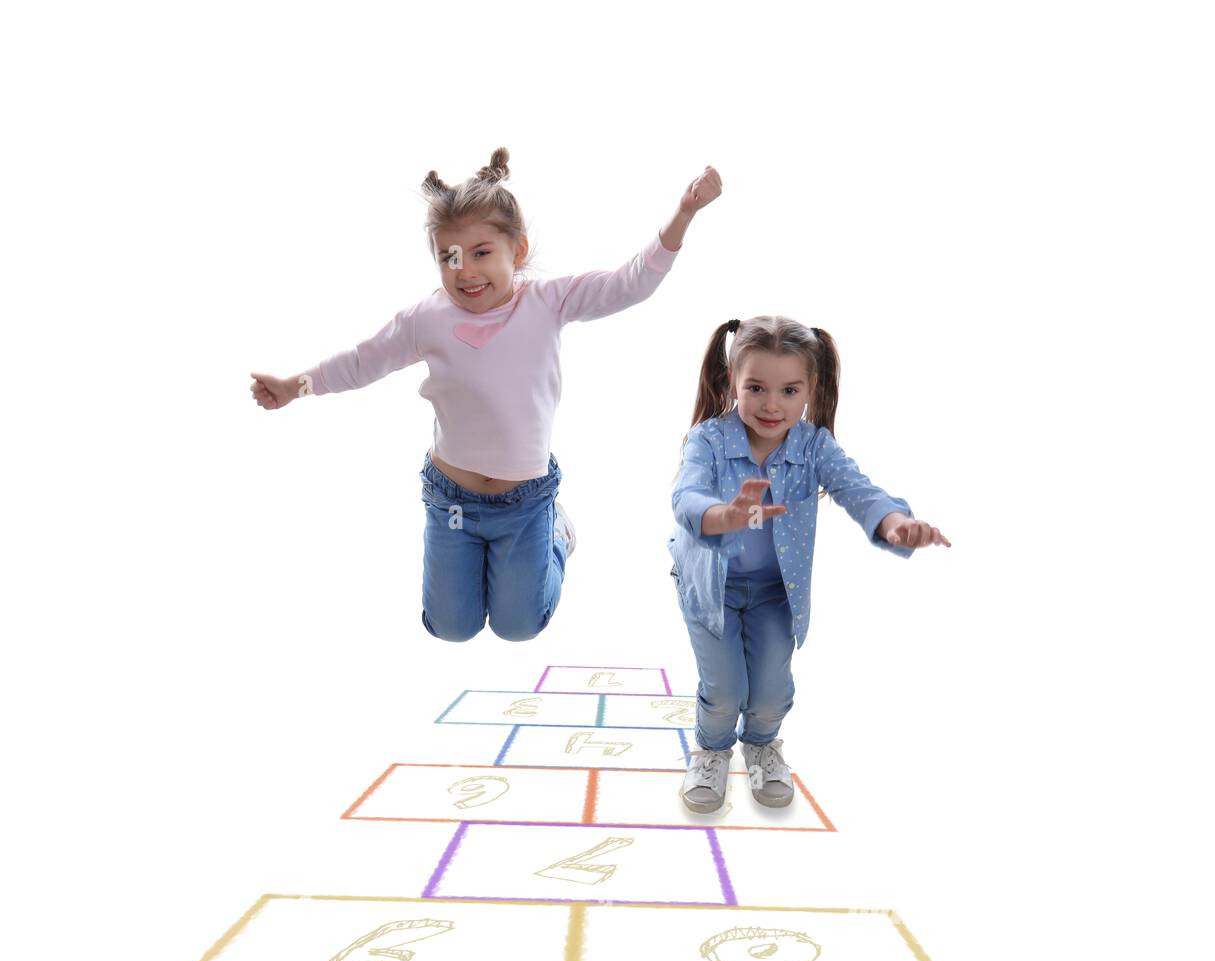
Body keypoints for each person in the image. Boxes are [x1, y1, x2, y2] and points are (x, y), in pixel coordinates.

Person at [251, 148, 721, 642]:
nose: (466, 272)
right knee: (450, 628)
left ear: (516, 251)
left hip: (524, 499)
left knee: (519, 626)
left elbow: (631, 283)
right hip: (451, 496)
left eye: (481, 253)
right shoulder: (426, 320)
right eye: (448, 257)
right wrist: (295, 386)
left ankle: (556, 536)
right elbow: (360, 362)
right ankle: (484, 570)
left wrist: (684, 213)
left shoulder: (547, 302)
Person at [669, 316, 950, 812]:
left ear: (810, 389)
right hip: (710, 587)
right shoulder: (709, 440)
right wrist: (723, 515)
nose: (771, 404)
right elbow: (686, 495)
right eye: (755, 388)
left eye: (788, 390)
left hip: (776, 592)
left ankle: (762, 744)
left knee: (772, 690)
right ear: (731, 381)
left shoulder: (813, 446)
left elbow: (858, 490)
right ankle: (711, 753)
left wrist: (892, 523)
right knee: (724, 688)